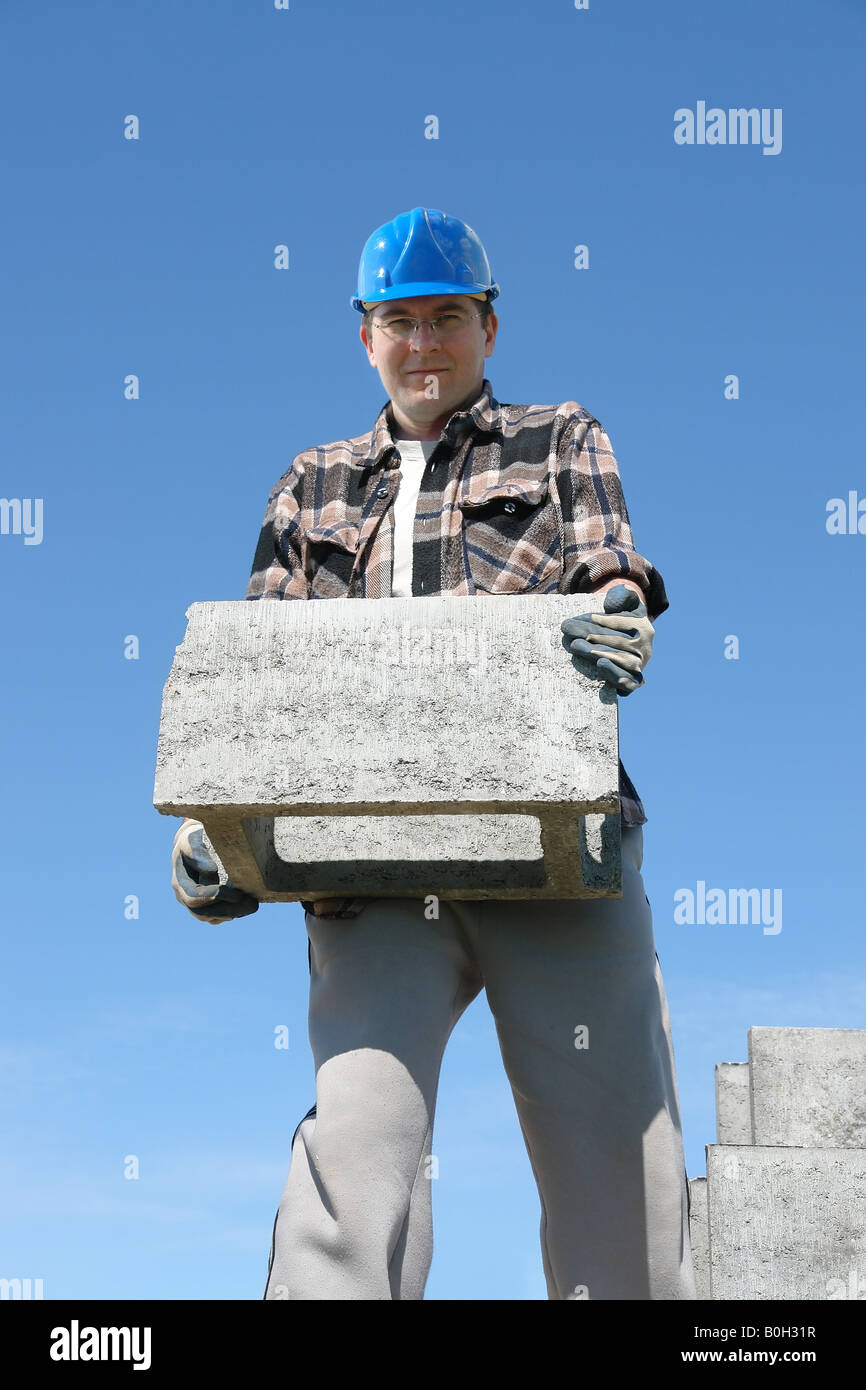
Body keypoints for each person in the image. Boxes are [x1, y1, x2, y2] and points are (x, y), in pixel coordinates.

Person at [170, 207, 696, 1301]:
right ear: (363, 337)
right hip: (366, 874)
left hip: (556, 856)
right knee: (353, 1170)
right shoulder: (308, 483)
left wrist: (616, 607)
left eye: (447, 317)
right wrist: (208, 826)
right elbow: (263, 672)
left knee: (618, 1172)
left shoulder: (558, 437)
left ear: (488, 329)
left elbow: (608, 561)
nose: (424, 343)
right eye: (397, 320)